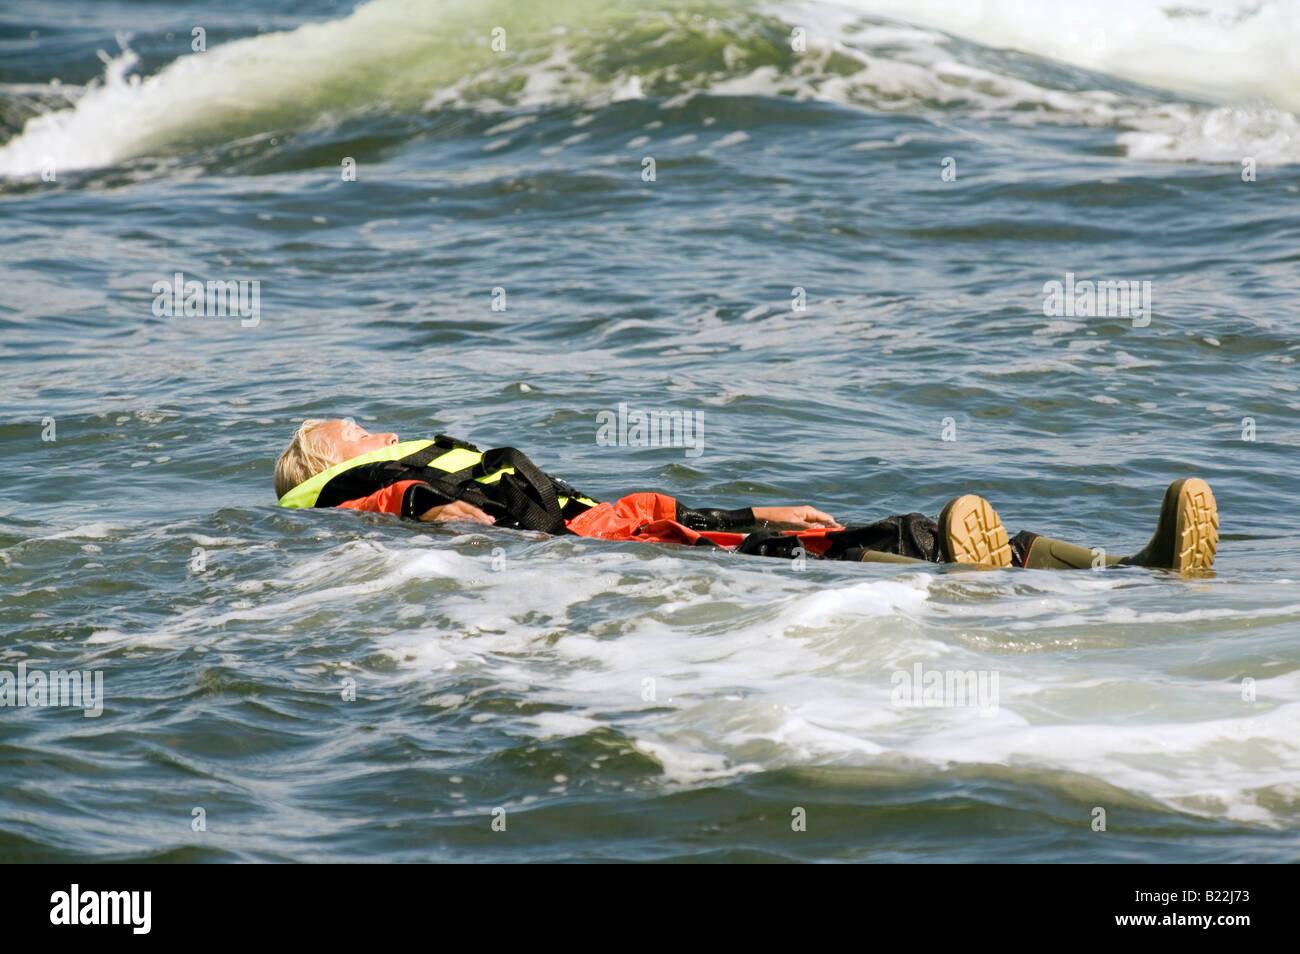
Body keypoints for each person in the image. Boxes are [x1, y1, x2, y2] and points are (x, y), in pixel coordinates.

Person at [273, 418, 1219, 572]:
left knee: (846, 541)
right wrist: (431, 512)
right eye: (348, 425)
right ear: (325, 453)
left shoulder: (410, 463)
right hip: (605, 552)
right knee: (854, 551)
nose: (369, 426)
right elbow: (391, 506)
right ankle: (1117, 572)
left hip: (620, 534)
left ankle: (1129, 569)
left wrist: (742, 508)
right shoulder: (347, 479)